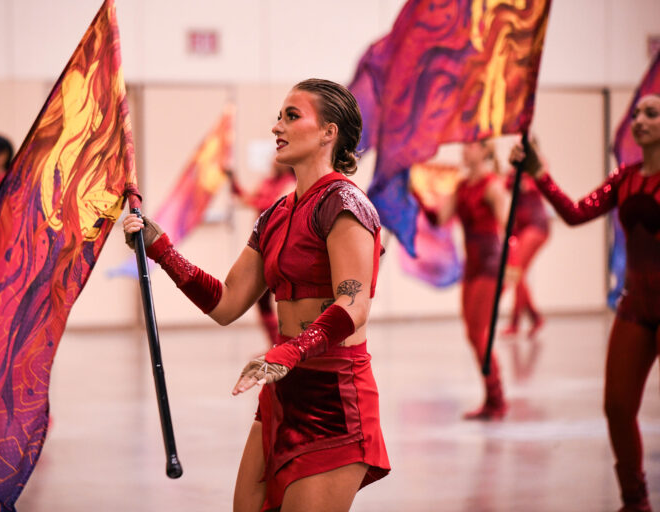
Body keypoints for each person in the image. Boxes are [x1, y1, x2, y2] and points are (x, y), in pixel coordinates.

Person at [124, 78, 389, 512]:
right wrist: (162, 250)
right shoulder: (276, 214)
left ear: (329, 132)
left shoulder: (345, 203)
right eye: (278, 116)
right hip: (284, 393)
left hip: (335, 398)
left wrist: (286, 353)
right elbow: (227, 303)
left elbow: (353, 305)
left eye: (291, 116)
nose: (276, 127)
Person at [512, 93, 660, 512]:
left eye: (652, 113)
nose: (640, 120)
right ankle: (635, 502)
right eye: (636, 114)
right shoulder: (626, 177)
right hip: (635, 308)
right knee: (617, 407)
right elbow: (576, 213)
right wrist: (539, 172)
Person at [417, 139, 509, 420]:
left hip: (491, 266)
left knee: (479, 334)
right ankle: (492, 397)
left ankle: (496, 399)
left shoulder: (493, 186)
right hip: (472, 267)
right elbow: (438, 219)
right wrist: (417, 195)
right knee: (472, 334)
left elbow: (508, 225)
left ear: (484, 150)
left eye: (471, 144)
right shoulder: (462, 187)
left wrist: (513, 264)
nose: (464, 148)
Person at [225, 161, 296, 346]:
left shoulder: (291, 183)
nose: (274, 160)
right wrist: (232, 180)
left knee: (287, 299)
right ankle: (275, 345)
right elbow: (246, 198)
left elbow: (275, 206)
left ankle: (287, 346)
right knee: (262, 300)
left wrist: (255, 201)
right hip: (263, 247)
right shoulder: (268, 181)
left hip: (281, 247)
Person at [501, 137, 550, 338]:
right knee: (516, 273)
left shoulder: (536, 169)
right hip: (520, 229)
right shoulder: (514, 170)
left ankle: (516, 322)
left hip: (536, 227)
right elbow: (504, 185)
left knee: (517, 271)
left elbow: (528, 185)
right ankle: (535, 318)